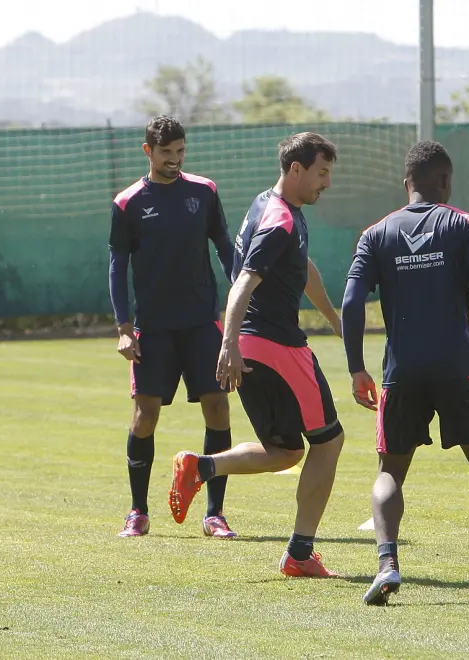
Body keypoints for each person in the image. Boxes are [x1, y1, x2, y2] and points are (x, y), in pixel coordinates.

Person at [342, 140, 469, 605]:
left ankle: (387, 565)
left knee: (390, 472)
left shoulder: (376, 234)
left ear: (406, 183)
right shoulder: (466, 225)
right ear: (445, 181)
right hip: (458, 368)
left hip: (401, 372)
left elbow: (351, 302)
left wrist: (356, 369)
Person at [167, 132, 346, 578]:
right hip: (277, 346)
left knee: (285, 451)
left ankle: (201, 466)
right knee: (329, 441)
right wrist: (225, 345)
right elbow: (243, 282)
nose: (326, 182)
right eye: (321, 173)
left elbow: (302, 268)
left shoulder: (270, 204)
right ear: (296, 169)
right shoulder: (280, 220)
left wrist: (333, 318)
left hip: (254, 346)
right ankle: (300, 554)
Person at [108, 115, 238, 539]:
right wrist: (124, 327)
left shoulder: (203, 192)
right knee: (145, 417)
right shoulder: (127, 203)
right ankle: (137, 511)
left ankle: (214, 514)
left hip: (202, 324)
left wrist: (240, 295)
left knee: (218, 407)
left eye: (180, 151)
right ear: (148, 151)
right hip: (154, 329)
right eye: (167, 153)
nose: (175, 160)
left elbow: (224, 246)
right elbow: (118, 265)